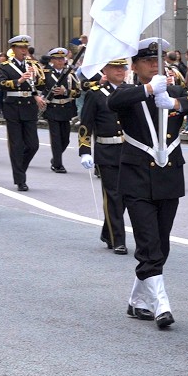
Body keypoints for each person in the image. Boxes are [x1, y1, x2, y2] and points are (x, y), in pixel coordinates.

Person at [108, 38, 188, 329]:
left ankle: (137, 300)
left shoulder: (174, 91)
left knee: (161, 243)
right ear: (135, 66)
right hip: (137, 177)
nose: (154, 65)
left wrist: (175, 101)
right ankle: (161, 304)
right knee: (148, 242)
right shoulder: (130, 92)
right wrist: (149, 89)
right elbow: (113, 101)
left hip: (168, 177)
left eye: (157, 61)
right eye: (147, 61)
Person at [79, 58, 130, 254]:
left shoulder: (131, 91)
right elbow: (86, 124)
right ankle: (118, 239)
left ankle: (107, 232)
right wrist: (85, 151)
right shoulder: (96, 94)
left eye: (122, 67)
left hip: (130, 152)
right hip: (107, 152)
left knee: (126, 196)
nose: (120, 71)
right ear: (105, 70)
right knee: (113, 197)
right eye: (115, 67)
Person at [0, 35, 42, 190]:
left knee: (33, 145)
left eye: (26, 48)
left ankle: (20, 169)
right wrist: (19, 81)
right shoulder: (6, 66)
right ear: (13, 49)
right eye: (21, 48)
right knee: (16, 145)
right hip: (13, 107)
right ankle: (20, 179)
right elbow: (1, 84)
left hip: (29, 106)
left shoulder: (32, 65)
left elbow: (40, 84)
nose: (24, 50)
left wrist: (35, 76)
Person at [42, 47, 80, 173]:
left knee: (66, 138)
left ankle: (55, 158)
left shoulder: (70, 74)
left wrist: (66, 91)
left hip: (66, 108)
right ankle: (58, 164)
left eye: (62, 59)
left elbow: (78, 92)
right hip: (52, 107)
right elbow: (39, 87)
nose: (60, 61)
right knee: (56, 138)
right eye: (57, 59)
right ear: (52, 60)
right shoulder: (46, 72)